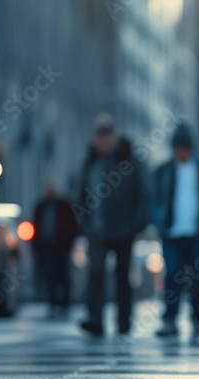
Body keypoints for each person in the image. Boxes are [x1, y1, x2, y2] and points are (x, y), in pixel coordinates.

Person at [150, 122, 199, 338]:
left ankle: (197, 317)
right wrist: (158, 221)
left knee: (198, 277)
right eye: (178, 148)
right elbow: (153, 199)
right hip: (171, 233)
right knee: (172, 275)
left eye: (185, 148)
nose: (182, 153)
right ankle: (170, 320)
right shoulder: (163, 171)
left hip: (198, 234)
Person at [77, 114, 149, 336]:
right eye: (99, 134)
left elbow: (143, 193)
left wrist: (137, 223)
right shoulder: (90, 161)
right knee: (95, 275)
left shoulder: (129, 159)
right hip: (97, 230)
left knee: (122, 277)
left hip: (124, 230)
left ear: (114, 135)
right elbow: (81, 195)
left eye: (107, 134)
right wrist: (85, 223)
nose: (103, 139)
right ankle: (95, 319)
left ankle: (124, 322)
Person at [31, 181, 79, 318]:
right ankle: (53, 303)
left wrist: (68, 242)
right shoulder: (41, 207)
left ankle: (64, 304)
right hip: (46, 247)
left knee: (63, 275)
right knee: (49, 277)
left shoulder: (64, 206)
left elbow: (73, 225)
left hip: (62, 247)